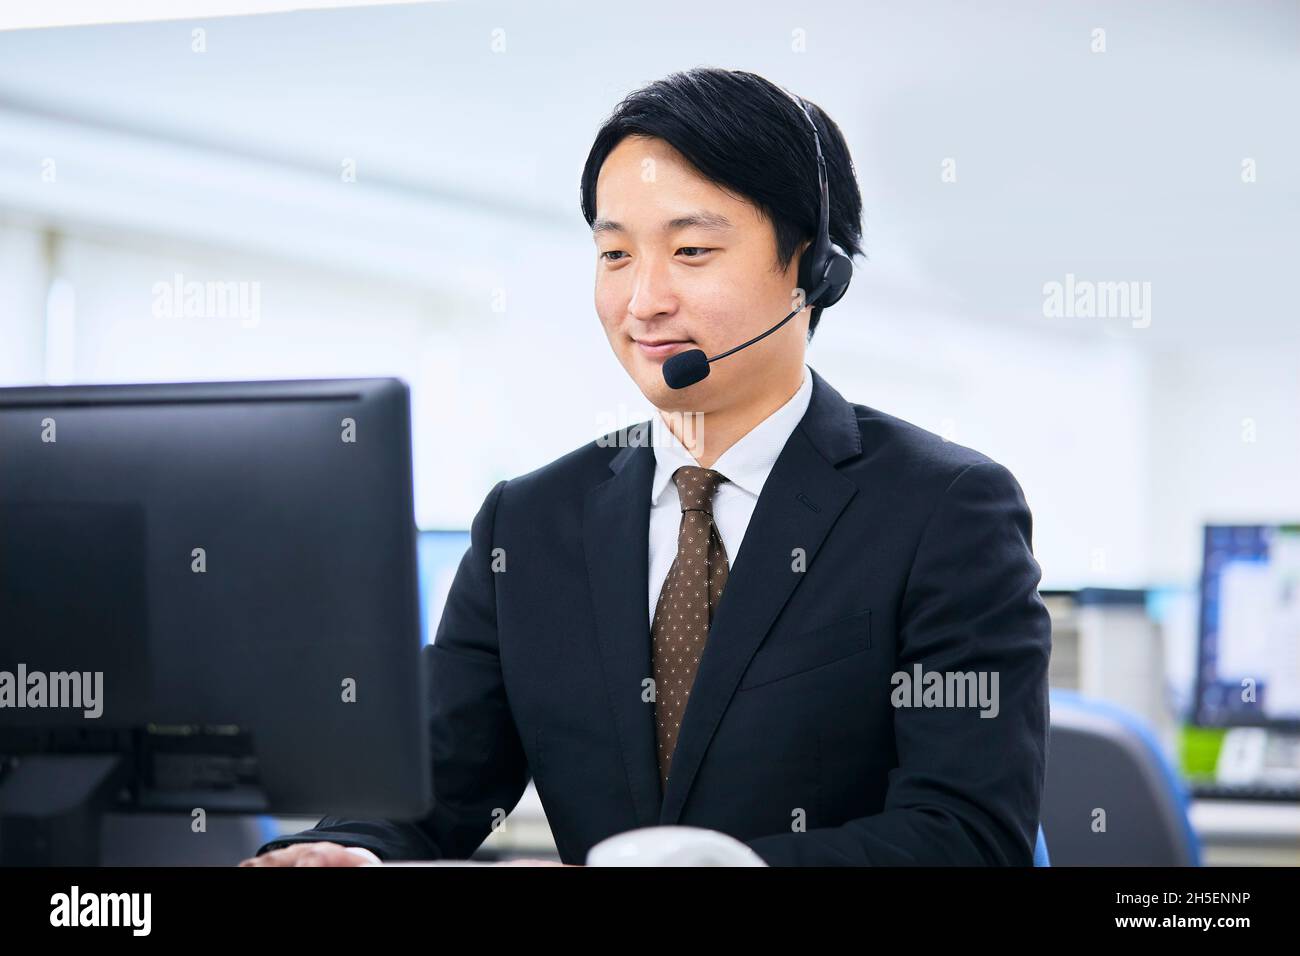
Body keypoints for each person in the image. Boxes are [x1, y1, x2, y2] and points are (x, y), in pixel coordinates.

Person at [241, 67, 1050, 868]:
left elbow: (968, 836)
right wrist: (345, 849)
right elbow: (429, 789)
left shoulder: (944, 508)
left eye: (692, 250)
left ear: (812, 268)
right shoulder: (528, 525)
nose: (644, 301)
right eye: (616, 254)